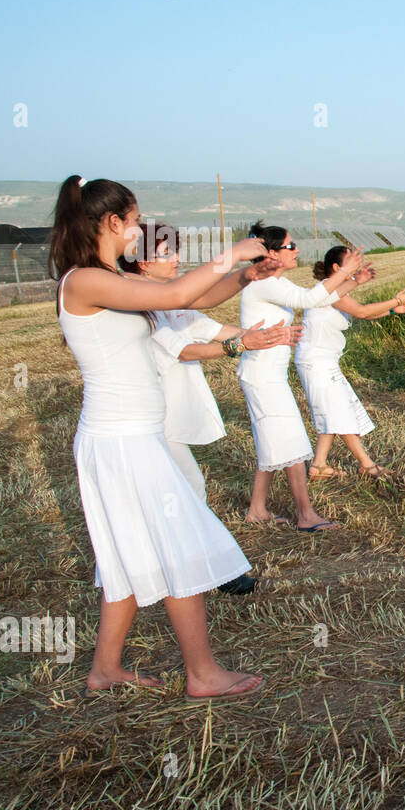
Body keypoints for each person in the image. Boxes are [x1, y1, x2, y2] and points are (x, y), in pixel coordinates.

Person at [51, 175, 277, 700]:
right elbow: (177, 290)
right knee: (181, 547)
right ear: (112, 221)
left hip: (134, 435)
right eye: (133, 220)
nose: (138, 229)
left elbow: (186, 302)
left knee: (131, 553)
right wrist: (230, 252)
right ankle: (202, 674)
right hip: (121, 439)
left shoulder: (106, 277)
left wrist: (245, 275)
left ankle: (105, 669)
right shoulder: (83, 281)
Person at [120, 223, 300, 595]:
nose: (177, 260)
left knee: (181, 492)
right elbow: (181, 349)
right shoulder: (138, 305)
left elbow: (211, 326)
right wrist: (241, 346)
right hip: (149, 418)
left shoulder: (171, 301)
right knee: (185, 490)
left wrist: (265, 336)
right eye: (167, 253)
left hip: (168, 415)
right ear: (140, 263)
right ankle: (208, 571)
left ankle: (182, 571)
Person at [237, 221, 365, 531]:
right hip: (262, 375)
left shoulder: (275, 283)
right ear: (271, 253)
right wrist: (342, 272)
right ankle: (306, 516)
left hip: (269, 373)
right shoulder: (265, 283)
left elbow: (317, 299)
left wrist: (351, 281)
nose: (297, 251)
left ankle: (257, 509)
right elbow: (310, 300)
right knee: (291, 442)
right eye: (290, 246)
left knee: (274, 440)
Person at [297, 245, 405, 479]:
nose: (358, 265)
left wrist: (393, 311)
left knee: (334, 410)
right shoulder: (325, 290)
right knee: (339, 411)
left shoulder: (339, 293)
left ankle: (319, 465)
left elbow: (366, 314)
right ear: (336, 267)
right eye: (352, 261)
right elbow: (361, 312)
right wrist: (394, 301)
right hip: (316, 362)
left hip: (325, 361)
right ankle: (367, 465)